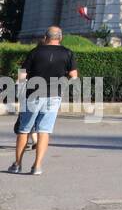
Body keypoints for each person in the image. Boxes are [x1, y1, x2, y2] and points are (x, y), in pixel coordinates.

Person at [8, 26, 78, 176]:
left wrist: (18, 85)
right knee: (44, 131)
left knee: (24, 130)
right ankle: (37, 166)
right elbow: (73, 76)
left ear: (46, 37)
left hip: (33, 94)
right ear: (60, 38)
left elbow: (22, 75)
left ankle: (17, 164)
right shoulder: (68, 53)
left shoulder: (35, 52)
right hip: (54, 96)